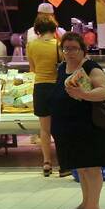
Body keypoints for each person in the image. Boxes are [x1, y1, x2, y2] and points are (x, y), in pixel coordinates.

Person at [50, 32, 105, 209]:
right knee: (82, 168)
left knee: (92, 168)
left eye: (74, 48)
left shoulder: (90, 67)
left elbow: (103, 91)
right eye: (65, 48)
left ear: (83, 49)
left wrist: (83, 93)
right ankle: (86, 203)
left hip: (90, 125)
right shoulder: (63, 68)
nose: (69, 52)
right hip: (70, 126)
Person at [26, 15, 60, 176]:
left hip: (40, 88)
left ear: (37, 30)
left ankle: (47, 163)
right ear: (54, 29)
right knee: (60, 128)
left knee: (44, 130)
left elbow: (32, 68)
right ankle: (65, 163)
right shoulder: (58, 45)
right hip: (56, 88)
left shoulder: (31, 45)